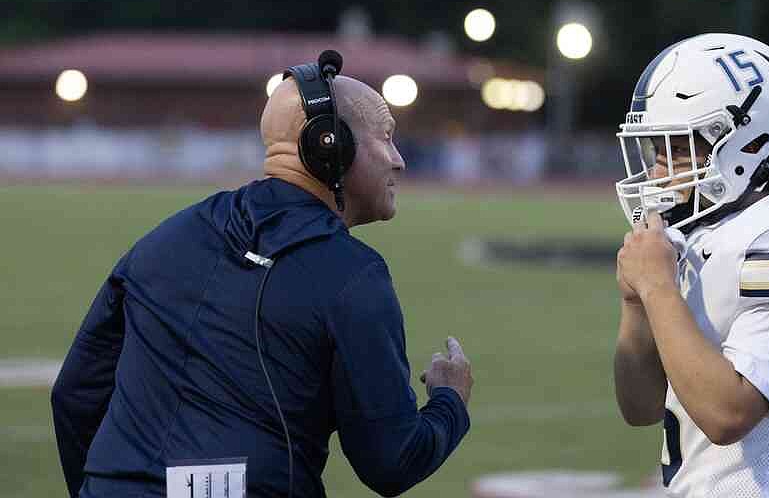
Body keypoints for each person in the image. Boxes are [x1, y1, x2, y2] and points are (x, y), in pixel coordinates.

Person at [51, 69, 474, 498]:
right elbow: (390, 462)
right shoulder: (353, 274)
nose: (399, 159)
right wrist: (449, 401)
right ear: (329, 145)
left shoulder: (164, 238)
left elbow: (74, 395)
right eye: (385, 137)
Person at [613, 33, 769, 497]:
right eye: (655, 152)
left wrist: (658, 288)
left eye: (679, 149)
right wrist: (636, 302)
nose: (659, 173)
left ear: (748, 144)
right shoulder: (699, 238)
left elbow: (727, 415)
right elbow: (640, 407)